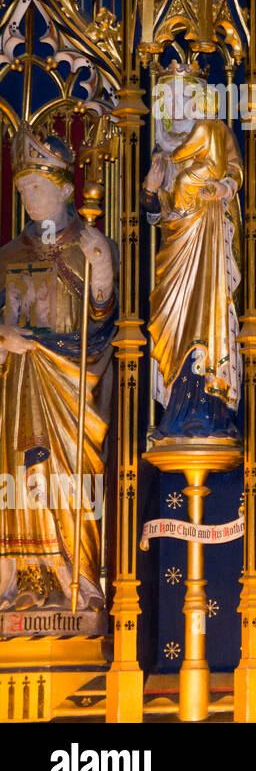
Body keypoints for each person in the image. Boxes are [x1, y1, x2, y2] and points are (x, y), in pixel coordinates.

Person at [0, 126, 116, 610]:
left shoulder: (88, 243)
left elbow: (105, 321)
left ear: (65, 188)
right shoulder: (7, 256)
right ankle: (27, 578)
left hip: (70, 387)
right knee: (19, 478)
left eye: (38, 186)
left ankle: (77, 579)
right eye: (23, 188)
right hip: (19, 387)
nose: (29, 196)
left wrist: (102, 269)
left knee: (69, 480)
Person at [144, 62, 243, 439]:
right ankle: (174, 413)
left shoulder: (215, 132)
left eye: (185, 96)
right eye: (168, 98)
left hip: (210, 242)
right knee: (175, 324)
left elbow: (235, 169)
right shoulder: (163, 150)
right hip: (175, 248)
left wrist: (224, 188)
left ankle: (210, 411)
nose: (177, 105)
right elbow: (156, 214)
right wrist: (150, 193)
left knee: (208, 319)